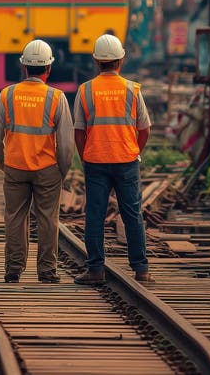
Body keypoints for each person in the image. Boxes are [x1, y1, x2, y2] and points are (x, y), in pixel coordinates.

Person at [0, 39, 75, 284]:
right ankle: (47, 271)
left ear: (24, 67)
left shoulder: (8, 94)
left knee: (15, 217)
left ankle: (13, 269)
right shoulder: (56, 98)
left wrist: (3, 162)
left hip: (15, 167)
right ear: (49, 69)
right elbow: (67, 144)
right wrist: (62, 170)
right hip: (47, 169)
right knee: (48, 219)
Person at [73, 33, 154, 285]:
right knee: (132, 214)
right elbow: (145, 129)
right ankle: (141, 270)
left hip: (96, 161)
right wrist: (134, 150)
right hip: (127, 161)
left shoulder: (85, 90)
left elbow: (79, 131)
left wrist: (86, 156)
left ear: (96, 61)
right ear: (121, 60)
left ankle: (96, 271)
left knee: (95, 215)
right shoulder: (132, 89)